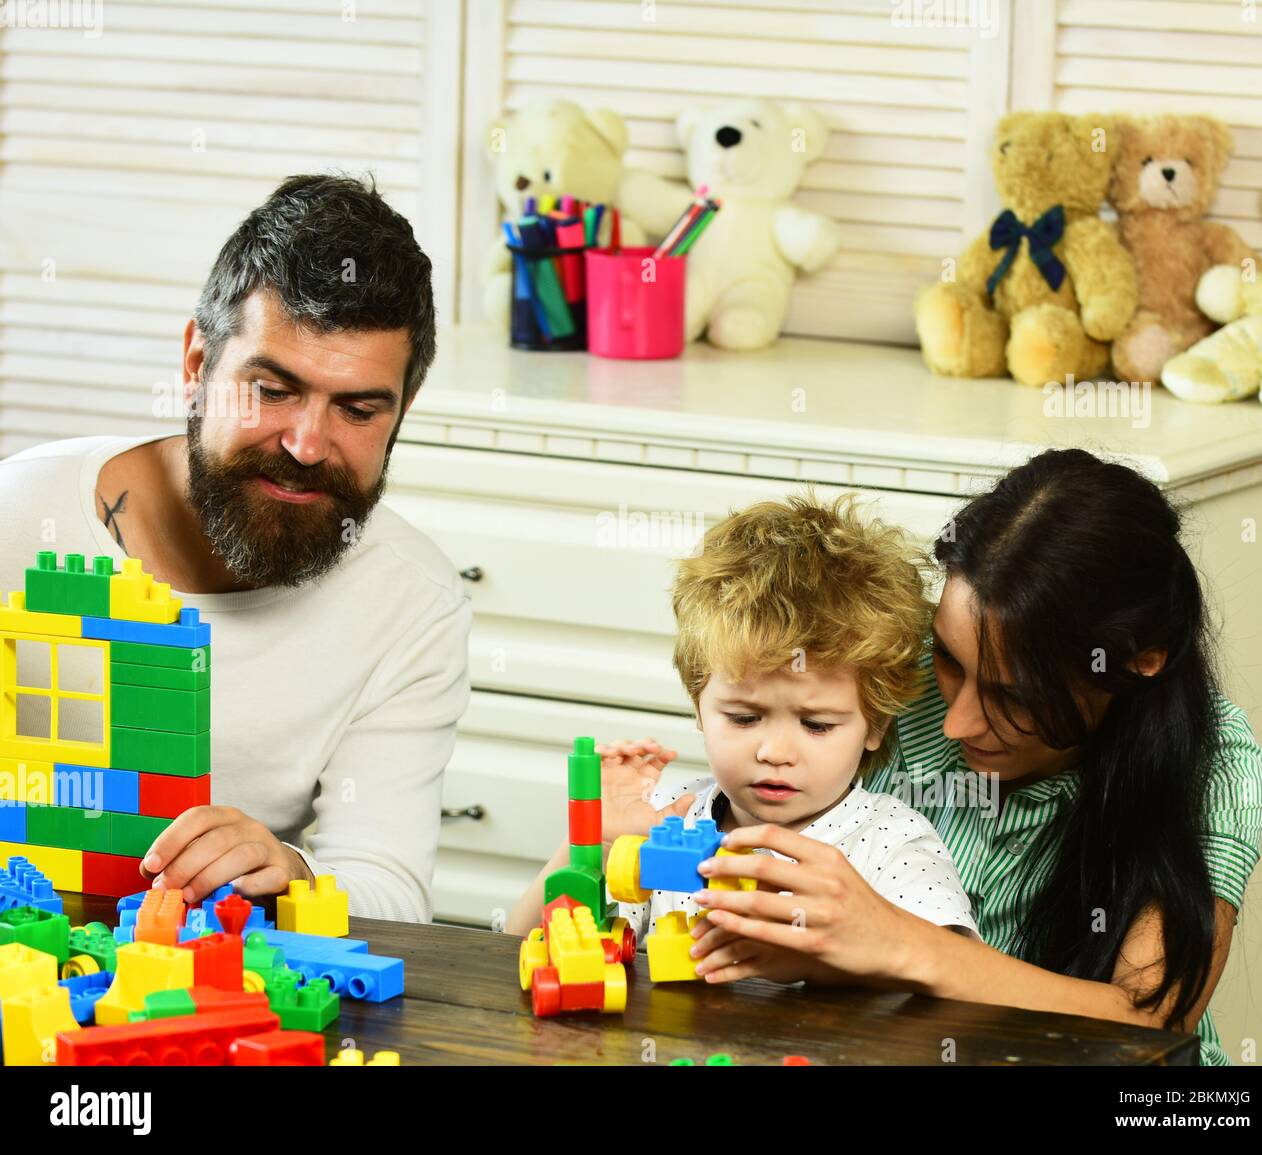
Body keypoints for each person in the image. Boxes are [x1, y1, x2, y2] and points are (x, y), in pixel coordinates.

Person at [656, 449, 1262, 1066]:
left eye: (1013, 695)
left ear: (1134, 664)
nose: (956, 721)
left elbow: (1151, 1021)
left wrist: (901, 945)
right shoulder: (880, 667)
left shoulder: (1217, 764)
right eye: (949, 660)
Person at [0, 174, 470, 922]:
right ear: (197, 364)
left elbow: (392, 895)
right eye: (273, 389)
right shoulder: (18, 517)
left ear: (402, 410)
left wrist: (289, 870)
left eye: (356, 407)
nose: (307, 445)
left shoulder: (414, 602)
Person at [506, 491, 977, 953]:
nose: (774, 752)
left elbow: (951, 969)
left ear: (874, 724)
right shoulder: (668, 817)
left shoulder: (892, 840)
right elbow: (524, 946)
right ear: (699, 705)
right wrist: (593, 847)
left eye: (816, 725)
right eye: (744, 717)